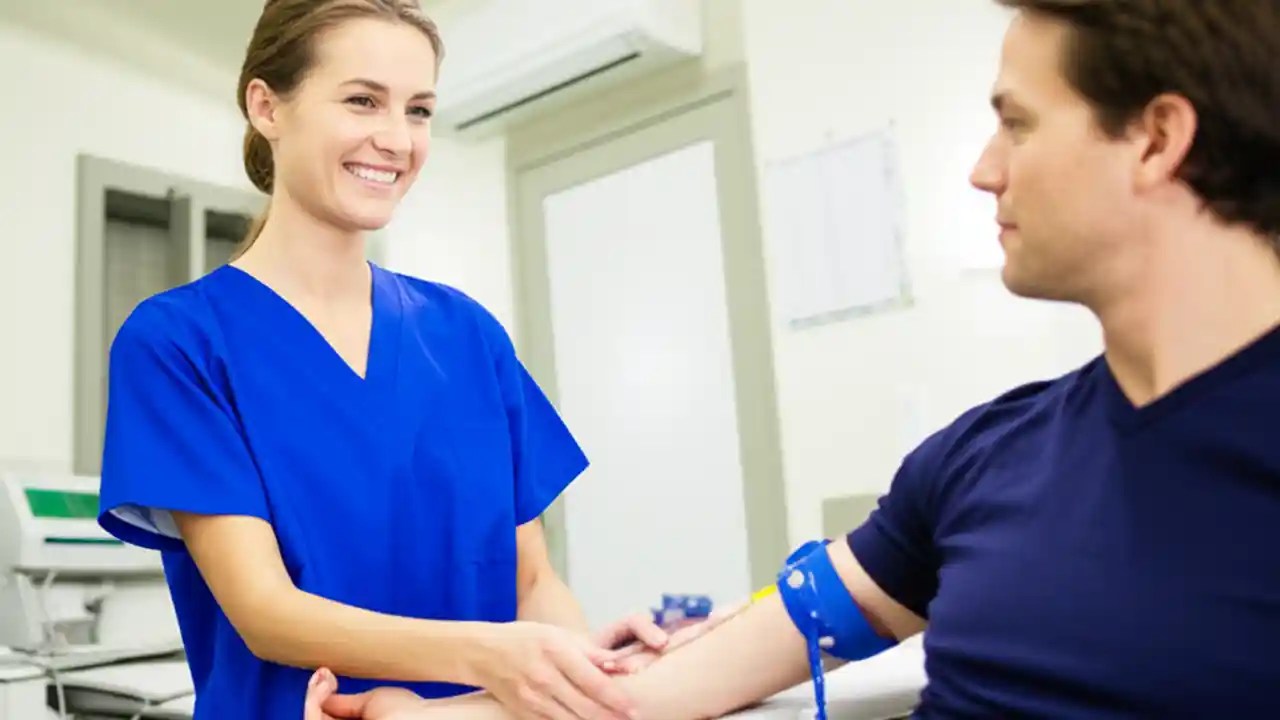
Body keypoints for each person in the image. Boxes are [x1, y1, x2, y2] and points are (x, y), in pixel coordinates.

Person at [299, 0, 1280, 717]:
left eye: (1015, 121)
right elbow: (688, 679)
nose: (983, 167)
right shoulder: (981, 459)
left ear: (1154, 140)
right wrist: (423, 717)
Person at [95, 1, 671, 718]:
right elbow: (268, 613)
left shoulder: (467, 335)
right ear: (267, 106)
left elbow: (532, 585)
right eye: (363, 100)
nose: (396, 139)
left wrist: (574, 667)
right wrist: (495, 654)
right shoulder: (179, 343)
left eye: (420, 110)